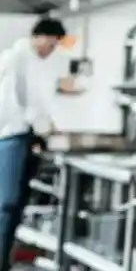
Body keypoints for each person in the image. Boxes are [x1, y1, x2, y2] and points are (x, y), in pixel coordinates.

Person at [0, 17, 76, 270]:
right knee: (7, 205)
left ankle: (4, 260)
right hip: (11, 137)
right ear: (38, 37)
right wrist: (44, 127)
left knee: (15, 206)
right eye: (51, 44)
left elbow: (37, 102)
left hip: (22, 136)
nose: (51, 50)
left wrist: (46, 125)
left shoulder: (33, 62)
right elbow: (22, 103)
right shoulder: (18, 59)